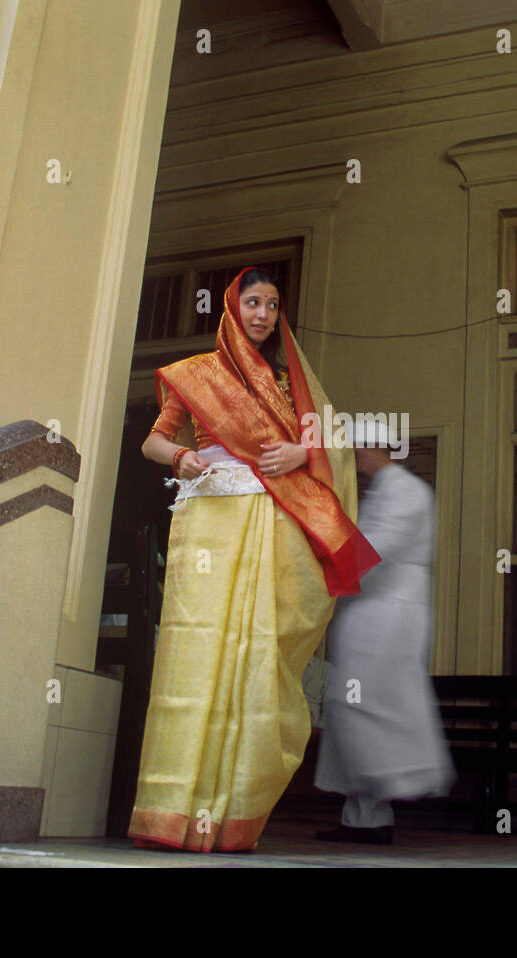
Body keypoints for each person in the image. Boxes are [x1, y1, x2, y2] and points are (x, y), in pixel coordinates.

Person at [129, 266, 379, 852]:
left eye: (272, 304)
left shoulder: (293, 379)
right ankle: (172, 813)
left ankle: (233, 812)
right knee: (196, 651)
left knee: (258, 650)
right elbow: (153, 440)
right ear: (231, 307)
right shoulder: (198, 375)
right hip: (209, 519)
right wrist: (180, 458)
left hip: (271, 518)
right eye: (254, 303)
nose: (264, 314)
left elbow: (330, 442)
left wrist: (300, 451)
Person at [313, 421, 456, 844]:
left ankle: (407, 776)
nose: (353, 456)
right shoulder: (380, 491)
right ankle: (365, 819)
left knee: (365, 703)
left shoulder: (407, 491)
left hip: (389, 612)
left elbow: (374, 548)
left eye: (358, 448)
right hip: (369, 611)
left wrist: (318, 569)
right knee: (348, 705)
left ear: (378, 448)